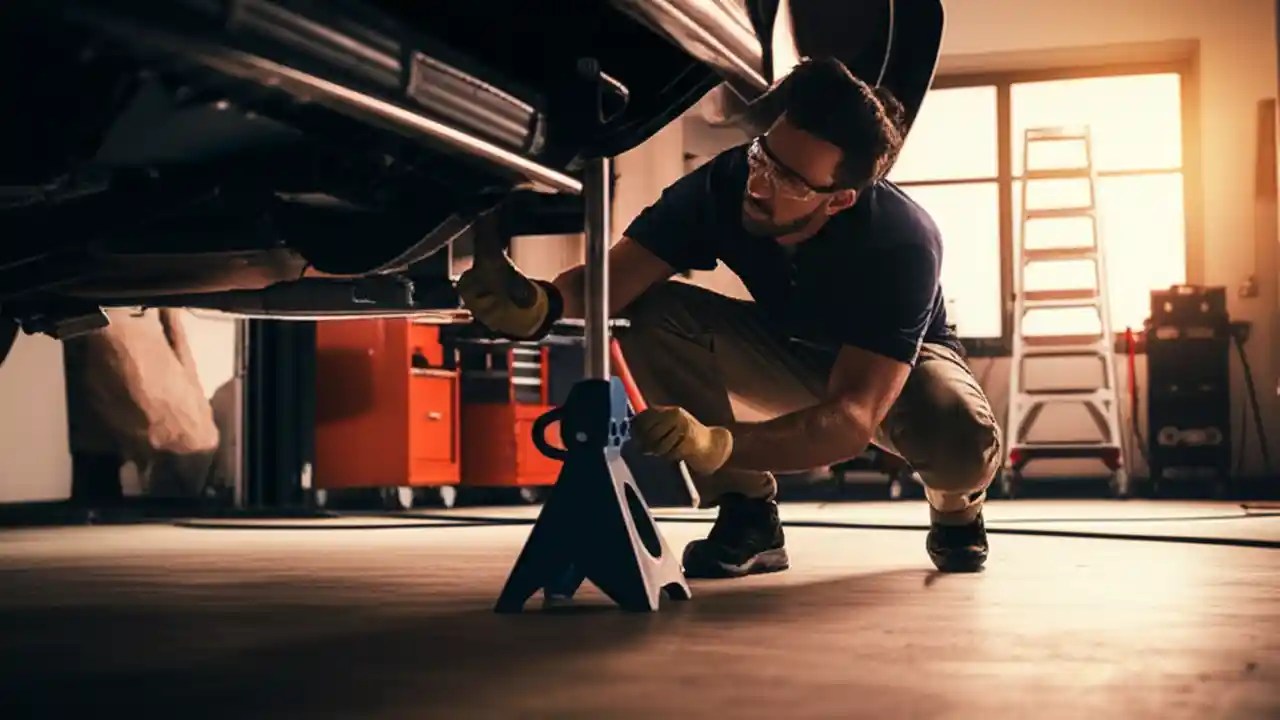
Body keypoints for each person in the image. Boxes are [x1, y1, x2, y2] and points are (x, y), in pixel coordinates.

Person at [457, 57, 1003, 577]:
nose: (759, 184)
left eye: (789, 182)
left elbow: (852, 421)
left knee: (962, 442)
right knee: (650, 312)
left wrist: (716, 443)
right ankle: (748, 513)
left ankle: (955, 505)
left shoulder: (902, 241)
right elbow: (614, 281)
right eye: (764, 157)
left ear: (838, 201)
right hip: (787, 350)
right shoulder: (724, 184)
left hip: (893, 374)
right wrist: (544, 304)